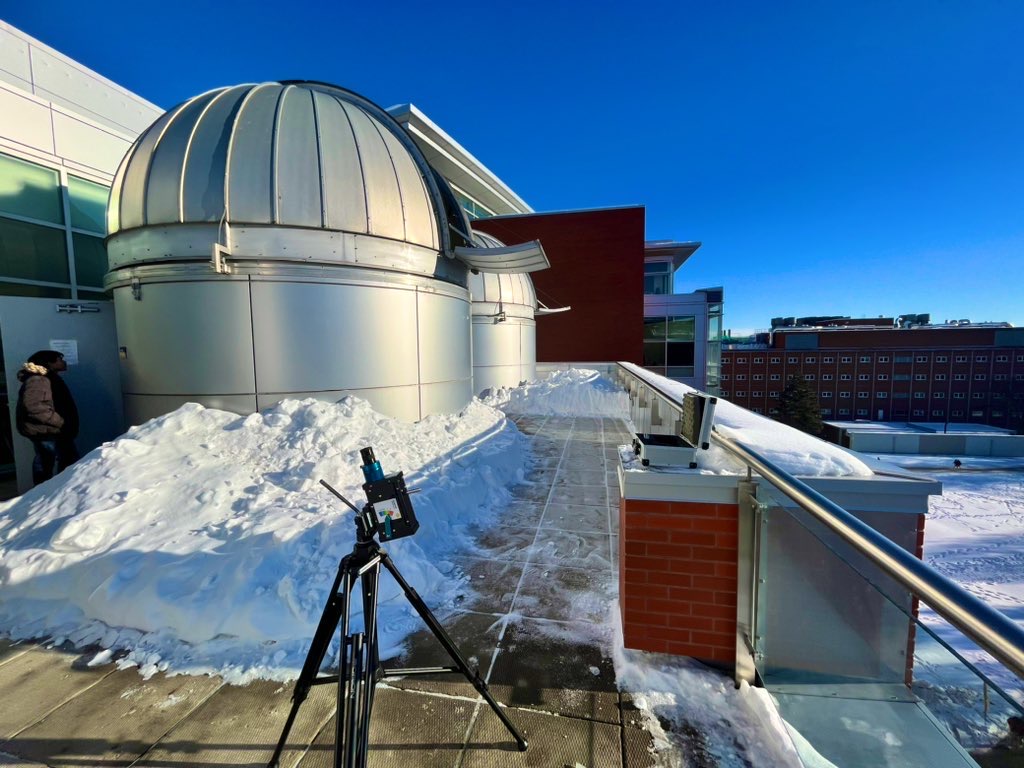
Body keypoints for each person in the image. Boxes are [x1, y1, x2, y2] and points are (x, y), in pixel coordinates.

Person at [15, 350, 80, 485]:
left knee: (58, 460)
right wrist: (60, 422)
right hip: (48, 431)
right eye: (59, 359)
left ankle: (55, 491)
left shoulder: (48, 378)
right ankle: (45, 495)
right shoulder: (39, 379)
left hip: (52, 430)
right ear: (49, 363)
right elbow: (34, 407)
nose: (64, 362)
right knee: (47, 462)